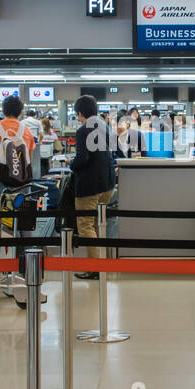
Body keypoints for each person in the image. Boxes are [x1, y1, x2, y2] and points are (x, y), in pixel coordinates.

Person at [69, 95, 117, 280]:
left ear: (80, 113)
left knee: (86, 224)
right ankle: (101, 262)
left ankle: (95, 268)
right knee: (98, 224)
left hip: (89, 185)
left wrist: (71, 164)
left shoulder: (83, 130)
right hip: (107, 184)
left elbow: (83, 158)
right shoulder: (105, 127)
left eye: (78, 115)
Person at [0, 95, 36, 195]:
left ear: (4, 110)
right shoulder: (27, 131)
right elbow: (29, 160)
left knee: (3, 207)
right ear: (20, 112)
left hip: (0, 182)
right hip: (22, 182)